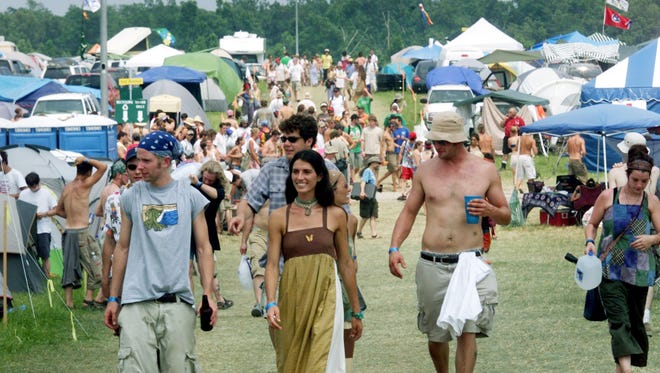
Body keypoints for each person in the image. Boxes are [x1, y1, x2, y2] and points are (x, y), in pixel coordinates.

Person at [388, 111, 511, 373]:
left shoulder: (485, 170)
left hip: (469, 262)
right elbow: (408, 212)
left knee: (467, 330)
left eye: (443, 142)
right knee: (436, 335)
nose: (437, 146)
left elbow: (506, 216)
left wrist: (490, 210)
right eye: (435, 141)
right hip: (432, 262)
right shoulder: (425, 171)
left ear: (459, 140)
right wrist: (394, 247)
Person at [104, 131, 217, 372]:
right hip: (136, 302)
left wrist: (208, 294)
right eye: (137, 161)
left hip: (177, 302)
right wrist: (114, 298)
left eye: (146, 161)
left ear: (165, 162)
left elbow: (203, 248)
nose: (138, 167)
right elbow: (122, 248)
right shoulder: (130, 196)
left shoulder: (190, 196)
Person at [264, 149, 362, 372]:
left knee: (321, 360)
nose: (300, 177)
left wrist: (356, 311)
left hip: (327, 295)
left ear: (319, 176)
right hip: (292, 296)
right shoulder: (279, 217)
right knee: (291, 362)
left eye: (307, 172)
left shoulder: (336, 215)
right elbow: (271, 264)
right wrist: (271, 302)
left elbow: (346, 264)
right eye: (296, 172)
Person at [585, 152, 659, 373]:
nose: (639, 185)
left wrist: (652, 239)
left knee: (635, 324)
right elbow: (592, 223)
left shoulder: (652, 202)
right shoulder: (609, 197)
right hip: (610, 270)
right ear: (627, 175)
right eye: (635, 180)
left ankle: (622, 369)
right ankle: (627, 370)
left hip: (640, 272)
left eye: (644, 182)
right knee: (619, 322)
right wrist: (589, 241)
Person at [607, 139, 659, 336]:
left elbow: (611, 196)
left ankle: (627, 315)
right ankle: (643, 315)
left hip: (625, 225)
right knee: (646, 274)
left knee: (620, 271)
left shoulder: (616, 172)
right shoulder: (655, 171)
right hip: (647, 224)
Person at [55, 156, 107, 309]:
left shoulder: (67, 187)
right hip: (82, 232)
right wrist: (87, 159)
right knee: (94, 264)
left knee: (69, 266)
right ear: (89, 172)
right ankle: (89, 300)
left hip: (68, 232)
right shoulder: (86, 183)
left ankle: (69, 303)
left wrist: (71, 216)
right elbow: (103, 167)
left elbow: (58, 210)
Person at [329, 169, 366, 373]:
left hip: (345, 282)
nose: (349, 189)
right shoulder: (320, 219)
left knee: (348, 334)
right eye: (344, 186)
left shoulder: (351, 220)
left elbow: (351, 259)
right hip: (326, 282)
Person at [189, 160, 233, 310]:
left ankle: (216, 299)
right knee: (189, 268)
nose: (206, 180)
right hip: (189, 231)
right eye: (205, 178)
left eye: (210, 180)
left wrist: (199, 184)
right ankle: (195, 303)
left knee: (208, 269)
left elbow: (216, 195)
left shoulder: (216, 188)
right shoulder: (193, 182)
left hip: (207, 232)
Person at [18, 172, 57, 277]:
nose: (34, 188)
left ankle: (46, 277)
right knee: (31, 255)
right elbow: (20, 209)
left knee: (45, 255)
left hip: (43, 229)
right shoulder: (23, 194)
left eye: (36, 185)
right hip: (29, 230)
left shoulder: (46, 193)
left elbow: (55, 210)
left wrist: (44, 214)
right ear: (28, 185)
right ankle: (35, 277)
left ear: (39, 182)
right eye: (31, 186)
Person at [357, 156, 380, 239]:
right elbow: (363, 182)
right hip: (366, 196)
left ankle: (374, 234)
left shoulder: (373, 172)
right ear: (372, 163)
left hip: (372, 196)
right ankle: (359, 231)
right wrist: (362, 191)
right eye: (377, 163)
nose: (378, 164)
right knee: (365, 216)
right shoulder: (367, 171)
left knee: (373, 215)